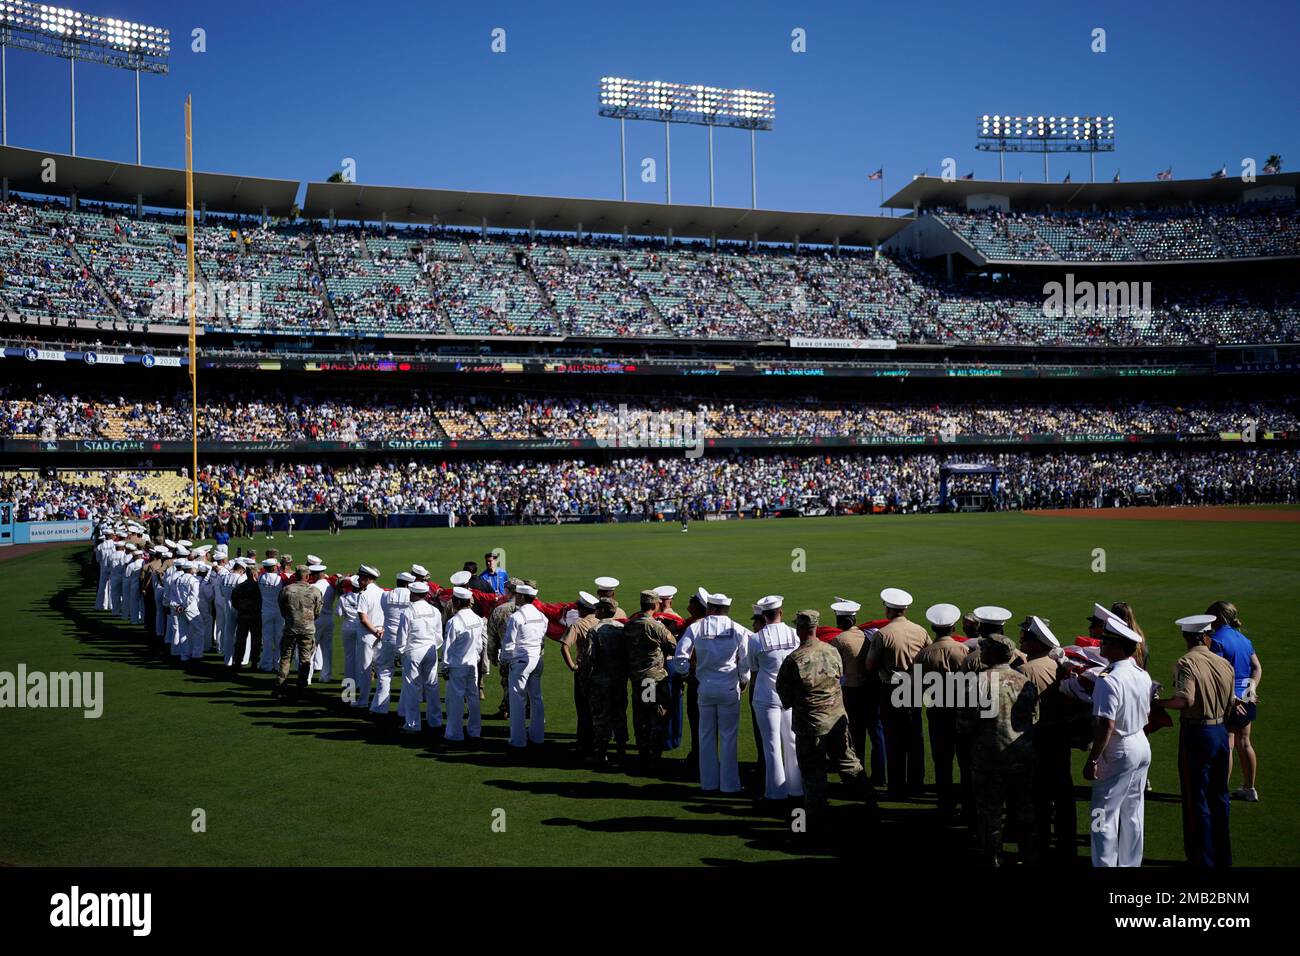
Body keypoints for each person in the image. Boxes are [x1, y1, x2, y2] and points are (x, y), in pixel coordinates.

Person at [775, 609, 873, 825]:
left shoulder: (794, 659)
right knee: (848, 763)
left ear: (800, 629)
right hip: (837, 719)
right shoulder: (832, 651)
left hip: (810, 724)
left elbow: (784, 692)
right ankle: (868, 802)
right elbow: (840, 676)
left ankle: (816, 815)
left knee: (813, 770)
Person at [1157, 613, 1237, 867]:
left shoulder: (1186, 663)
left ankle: (1201, 858)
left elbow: (1184, 700)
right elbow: (1232, 703)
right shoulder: (1224, 663)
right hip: (1220, 731)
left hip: (1197, 733)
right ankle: (1223, 856)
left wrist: (1155, 702)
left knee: (1196, 798)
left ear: (1187, 637)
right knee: (1219, 795)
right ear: (1207, 636)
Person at [963, 633, 1039, 866]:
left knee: (989, 810)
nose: (981, 651)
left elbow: (965, 721)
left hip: (988, 755)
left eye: (984, 648)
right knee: (1023, 807)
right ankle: (1027, 853)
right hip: (1021, 754)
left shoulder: (978, 681)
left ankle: (993, 856)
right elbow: (1035, 718)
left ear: (993, 653)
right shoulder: (1024, 680)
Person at [1084, 615, 1152, 868]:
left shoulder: (1108, 679)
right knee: (1133, 812)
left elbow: (1106, 724)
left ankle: (1104, 864)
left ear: (1116, 646)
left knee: (1102, 813)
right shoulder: (1141, 673)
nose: (1101, 644)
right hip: (1140, 742)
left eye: (1106, 641)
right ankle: (1130, 864)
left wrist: (1092, 759)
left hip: (1119, 748)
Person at [670, 591, 751, 793]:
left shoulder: (696, 627)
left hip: (704, 687)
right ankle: (730, 785)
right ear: (726, 609)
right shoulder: (737, 629)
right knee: (728, 737)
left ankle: (708, 783)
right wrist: (743, 680)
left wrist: (687, 675)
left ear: (710, 608)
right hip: (730, 688)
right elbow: (746, 659)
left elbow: (681, 656)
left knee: (705, 735)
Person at [1018, 615, 1075, 862]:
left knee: (1038, 795)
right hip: (1060, 736)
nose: (1022, 642)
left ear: (1038, 644)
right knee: (1063, 792)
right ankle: (1067, 844)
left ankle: (1040, 844)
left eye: (1026, 639)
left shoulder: (1025, 670)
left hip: (1038, 737)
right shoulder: (1060, 666)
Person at [865, 587, 930, 797]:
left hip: (891, 687)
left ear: (888, 610)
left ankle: (896, 785)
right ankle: (916, 783)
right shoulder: (920, 630)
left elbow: (870, 665)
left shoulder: (883, 634)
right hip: (914, 686)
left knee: (894, 738)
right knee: (915, 736)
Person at [745, 595, 802, 803]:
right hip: (790, 696)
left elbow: (753, 667)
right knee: (792, 742)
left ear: (763, 615)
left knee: (771, 745)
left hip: (766, 696)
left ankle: (775, 793)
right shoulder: (794, 634)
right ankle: (797, 789)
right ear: (781, 612)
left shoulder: (755, 638)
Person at [915, 603, 969, 819]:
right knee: (966, 760)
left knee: (942, 760)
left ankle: (945, 803)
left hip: (938, 711)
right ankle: (967, 802)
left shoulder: (924, 654)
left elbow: (916, 686)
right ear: (953, 628)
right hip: (962, 712)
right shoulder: (964, 651)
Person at [1206, 600, 1262, 802]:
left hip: (1229, 699)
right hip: (1247, 697)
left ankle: (1221, 790)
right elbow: (1256, 667)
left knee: (1228, 745)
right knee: (1245, 743)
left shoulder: (1215, 640)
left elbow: (1220, 672)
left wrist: (1231, 697)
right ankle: (1249, 788)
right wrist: (1251, 690)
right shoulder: (1244, 639)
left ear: (1218, 617)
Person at [625, 590, 679, 773]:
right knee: (655, 716)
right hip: (652, 680)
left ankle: (642, 752)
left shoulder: (630, 625)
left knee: (639, 716)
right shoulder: (656, 626)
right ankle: (653, 757)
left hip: (636, 677)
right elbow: (673, 646)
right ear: (655, 605)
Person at [502, 581, 548, 748]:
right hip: (537, 659)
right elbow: (542, 639)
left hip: (521, 661)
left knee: (517, 701)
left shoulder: (517, 617)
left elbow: (508, 644)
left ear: (521, 596)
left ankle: (518, 740)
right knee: (536, 698)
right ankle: (538, 736)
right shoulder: (542, 616)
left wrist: (505, 661)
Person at [586, 599, 629, 768]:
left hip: (600, 680)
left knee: (601, 717)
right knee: (619, 715)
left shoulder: (595, 630)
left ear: (602, 611)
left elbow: (589, 659)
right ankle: (621, 751)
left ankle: (601, 754)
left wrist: (585, 681)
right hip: (619, 680)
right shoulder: (622, 629)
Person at [398, 580, 443, 732]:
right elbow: (438, 636)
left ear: (414, 594)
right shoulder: (434, 611)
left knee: (412, 688)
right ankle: (435, 721)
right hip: (430, 650)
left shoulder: (408, 612)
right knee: (432, 686)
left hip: (413, 651)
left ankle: (413, 723)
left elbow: (402, 638)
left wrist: (401, 653)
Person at [560, 591, 600, 759]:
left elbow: (564, 646)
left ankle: (584, 744)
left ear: (583, 609)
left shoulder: (577, 625)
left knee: (583, 709)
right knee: (598, 709)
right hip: (601, 671)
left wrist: (573, 666)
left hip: (583, 671)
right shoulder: (602, 623)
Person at [442, 586, 486, 742]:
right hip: (472, 663)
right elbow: (480, 644)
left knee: (456, 700)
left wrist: (445, 666)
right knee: (473, 698)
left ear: (458, 602)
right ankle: (475, 730)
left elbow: (448, 646)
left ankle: (455, 733)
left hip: (458, 665)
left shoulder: (454, 622)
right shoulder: (477, 619)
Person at [371, 571, 414, 716]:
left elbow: (385, 611)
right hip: (406, 640)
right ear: (409, 583)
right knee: (406, 676)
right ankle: (402, 710)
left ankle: (380, 707)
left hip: (388, 639)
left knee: (384, 673)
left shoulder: (385, 595)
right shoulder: (411, 597)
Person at [276, 565, 323, 697]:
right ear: (308, 577)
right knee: (305, 658)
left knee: (285, 657)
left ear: (296, 576)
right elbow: (317, 611)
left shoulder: (287, 590)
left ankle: (281, 686)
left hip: (290, 628)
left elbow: (282, 609)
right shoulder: (314, 591)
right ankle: (301, 687)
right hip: (307, 629)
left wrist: (291, 618)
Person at [353, 565, 385, 710]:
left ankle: (363, 701)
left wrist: (374, 632)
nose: (359, 580)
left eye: (360, 578)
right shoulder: (383, 593)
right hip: (381, 634)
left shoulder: (364, 595)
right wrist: (381, 631)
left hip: (368, 635)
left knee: (365, 669)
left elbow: (363, 618)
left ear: (367, 579)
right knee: (381, 669)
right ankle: (380, 702)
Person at [309, 564, 337, 683]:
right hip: (329, 618)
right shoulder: (331, 585)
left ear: (316, 574)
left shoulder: (312, 587)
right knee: (327, 649)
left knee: (310, 649)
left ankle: (307, 677)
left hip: (316, 620)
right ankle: (326, 676)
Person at [257, 557, 285, 672]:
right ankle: (278, 665)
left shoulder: (261, 578)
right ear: (274, 567)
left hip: (266, 611)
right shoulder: (280, 579)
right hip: (279, 611)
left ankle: (266, 664)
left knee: (267, 639)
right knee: (279, 638)